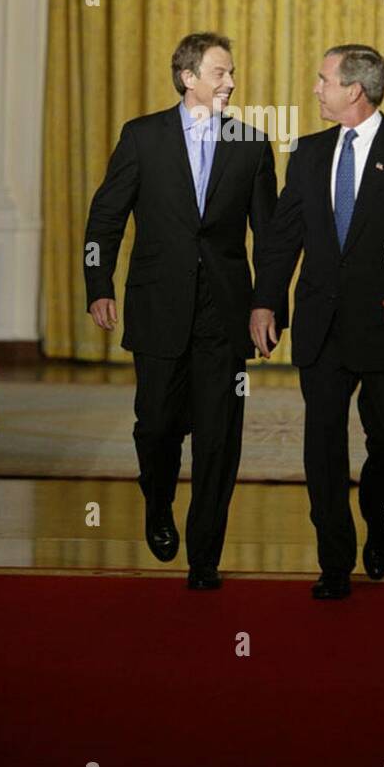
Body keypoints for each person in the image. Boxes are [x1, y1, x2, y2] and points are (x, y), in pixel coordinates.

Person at [250, 44, 384, 599]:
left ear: (354, 90)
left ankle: (381, 516)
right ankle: (334, 560)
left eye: (323, 80)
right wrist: (265, 301)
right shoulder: (308, 153)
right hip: (321, 325)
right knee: (323, 445)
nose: (315, 89)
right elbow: (283, 236)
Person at [84, 33, 279, 590]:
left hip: (225, 315)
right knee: (157, 427)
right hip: (157, 310)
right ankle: (158, 503)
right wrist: (99, 284)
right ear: (189, 77)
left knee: (219, 437)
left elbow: (270, 241)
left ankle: (205, 557)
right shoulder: (142, 137)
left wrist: (267, 304)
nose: (231, 83)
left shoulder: (252, 144)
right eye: (221, 72)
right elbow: (105, 221)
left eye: (233, 73)